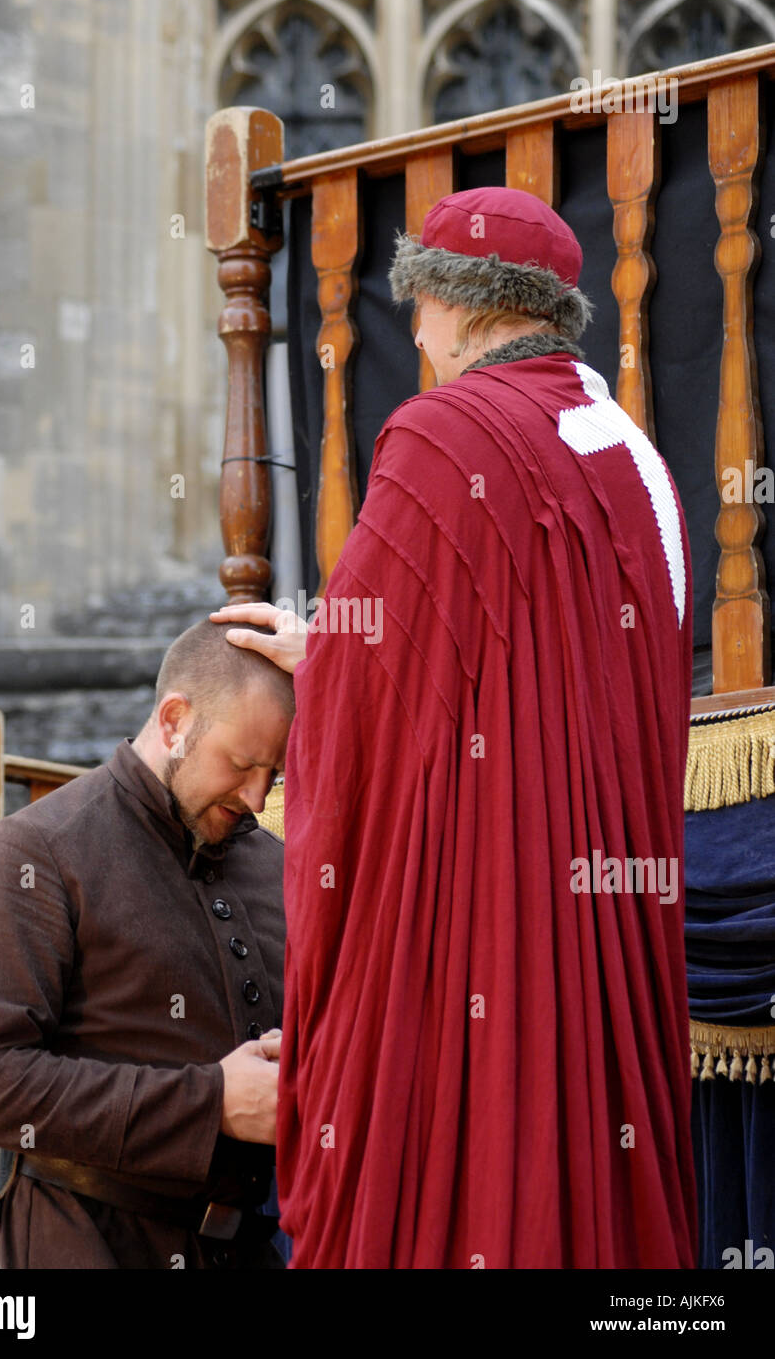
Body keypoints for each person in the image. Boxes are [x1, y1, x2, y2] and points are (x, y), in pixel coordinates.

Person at [211, 186, 698, 1269]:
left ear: (458, 301)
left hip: (488, 921)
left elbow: (387, 713)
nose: (415, 333)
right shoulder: (638, 458)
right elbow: (495, 657)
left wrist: (317, 679)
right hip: (616, 930)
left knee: (470, 1189)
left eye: (418, 305)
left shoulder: (444, 433)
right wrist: (330, 646)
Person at [0, 620, 293, 1269]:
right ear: (175, 719)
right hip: (72, 1244)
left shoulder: (279, 868)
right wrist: (210, 1101)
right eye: (242, 764)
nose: (253, 796)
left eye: (271, 774)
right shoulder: (33, 851)